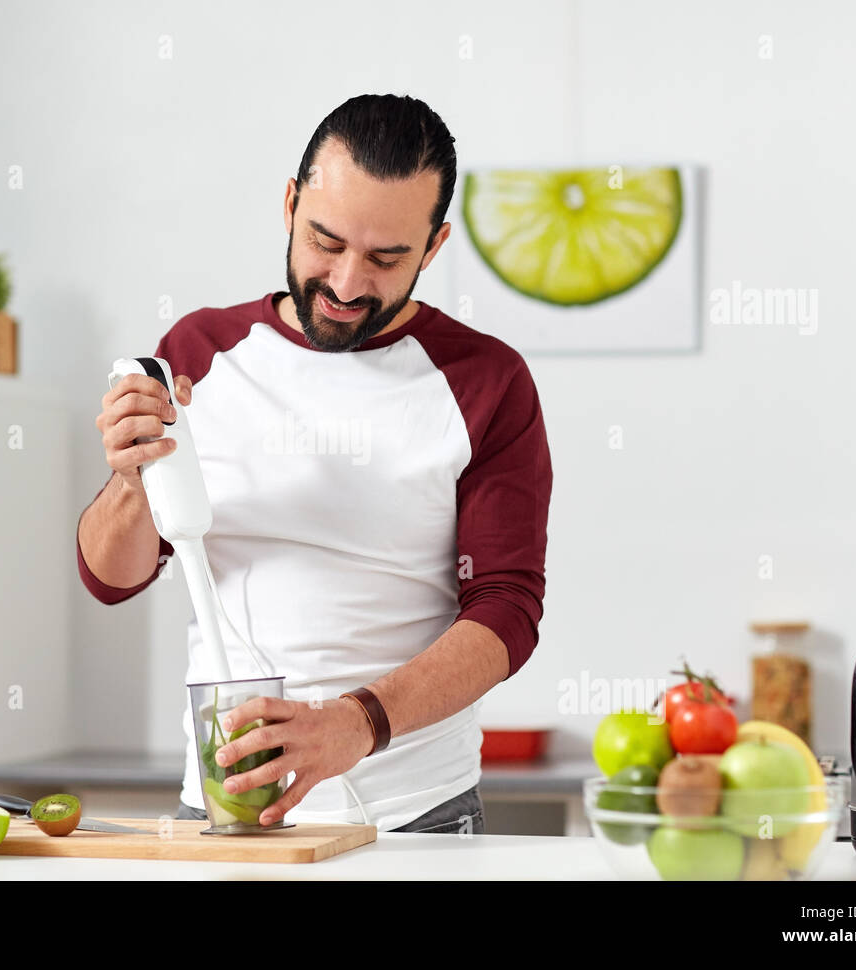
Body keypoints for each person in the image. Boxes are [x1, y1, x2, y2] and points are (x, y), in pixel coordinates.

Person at [77, 93, 552, 834]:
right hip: (222, 812)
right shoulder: (200, 351)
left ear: (433, 247)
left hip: (411, 816)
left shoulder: (485, 380)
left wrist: (358, 722)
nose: (347, 282)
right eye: (325, 241)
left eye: (387, 257)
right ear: (291, 203)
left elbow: (507, 610)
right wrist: (131, 478)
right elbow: (112, 577)